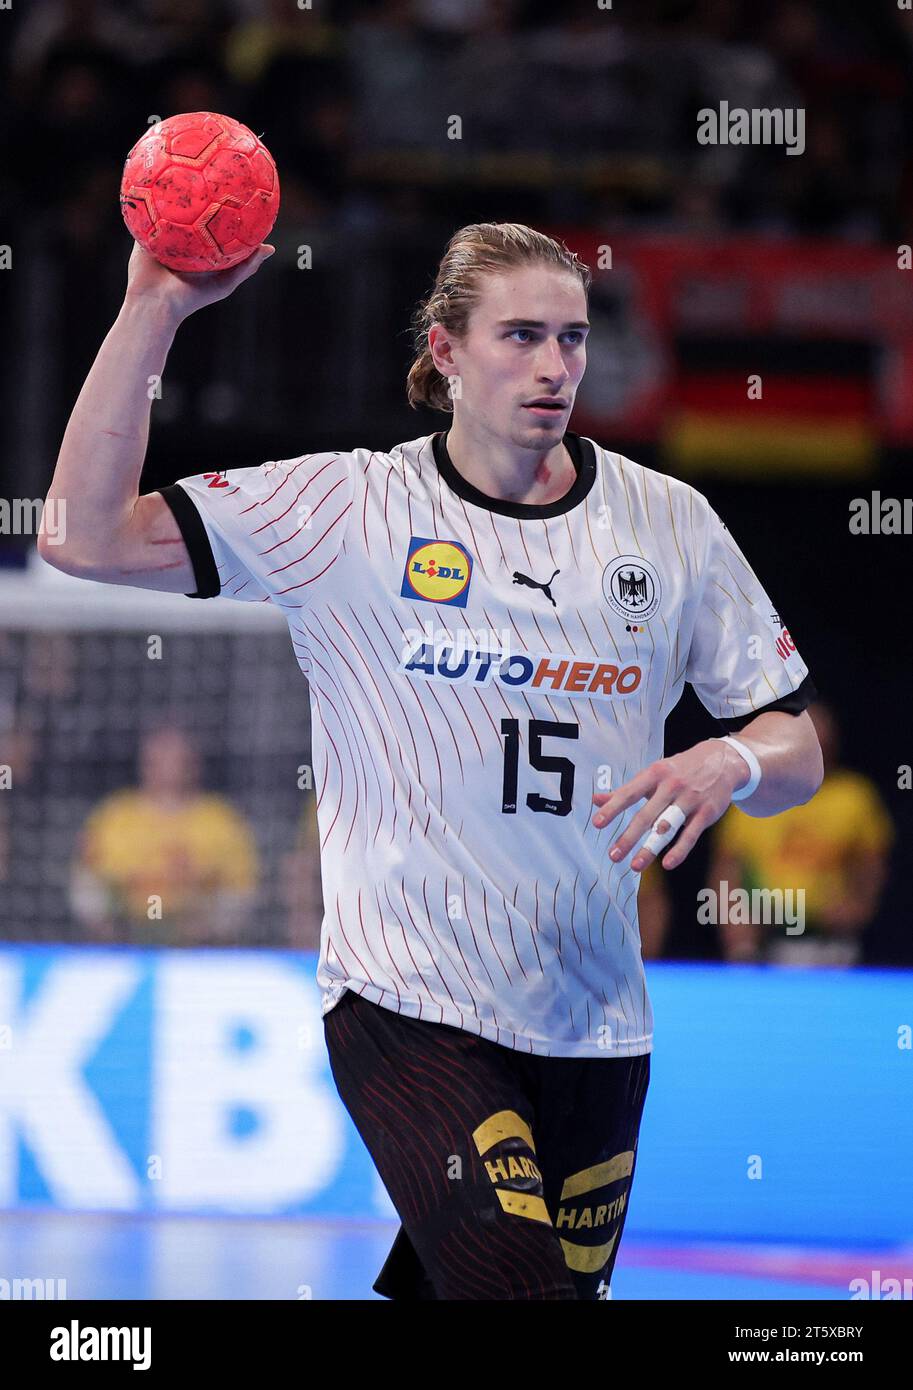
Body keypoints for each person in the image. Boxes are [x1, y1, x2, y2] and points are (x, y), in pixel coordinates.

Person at [38, 222, 822, 1300]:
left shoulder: (668, 522)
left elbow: (797, 745)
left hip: (594, 1018)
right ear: (446, 351)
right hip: (406, 1002)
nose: (553, 368)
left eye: (572, 339)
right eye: (519, 337)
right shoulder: (346, 508)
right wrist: (153, 308)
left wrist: (727, 761)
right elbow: (82, 535)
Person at [709, 701, 892, 966]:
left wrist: (856, 908)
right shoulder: (752, 797)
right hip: (766, 939)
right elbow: (727, 870)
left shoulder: (854, 797)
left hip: (830, 941)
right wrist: (736, 928)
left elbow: (872, 866)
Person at [70, 726, 259, 946]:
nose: (167, 766)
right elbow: (86, 877)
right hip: (124, 939)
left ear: (193, 762)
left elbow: (241, 889)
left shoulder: (221, 820)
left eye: (175, 757)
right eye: (158, 757)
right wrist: (109, 926)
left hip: (200, 946)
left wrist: (207, 928)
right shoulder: (115, 815)